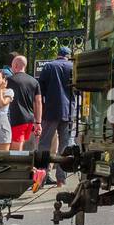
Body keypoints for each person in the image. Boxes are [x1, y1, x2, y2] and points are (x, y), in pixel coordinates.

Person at [38, 46, 75, 186]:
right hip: (68, 111)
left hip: (51, 110)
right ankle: (61, 179)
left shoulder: (48, 66)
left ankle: (41, 177)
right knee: (64, 146)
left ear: (58, 54)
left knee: (44, 144)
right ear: (68, 55)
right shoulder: (72, 67)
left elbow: (40, 89)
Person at [6, 55, 42, 152]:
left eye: (12, 65)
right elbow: (38, 102)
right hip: (30, 120)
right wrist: (38, 122)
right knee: (24, 148)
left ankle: (17, 167)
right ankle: (26, 166)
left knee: (15, 151)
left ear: (16, 65)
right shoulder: (34, 81)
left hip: (17, 119)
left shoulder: (9, 81)